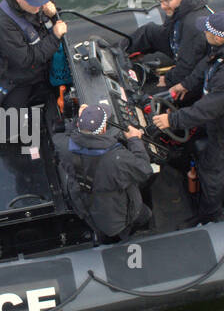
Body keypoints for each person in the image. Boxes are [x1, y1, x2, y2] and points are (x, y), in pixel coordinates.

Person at [151, 10, 224, 224]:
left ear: (218, 37)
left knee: (210, 170)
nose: (203, 33)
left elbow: (209, 109)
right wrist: (186, 84)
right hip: (218, 113)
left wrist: (172, 120)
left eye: (207, 31)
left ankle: (210, 215)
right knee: (189, 140)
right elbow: (207, 64)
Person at [55, 103, 154, 242]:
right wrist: (134, 140)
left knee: (98, 226)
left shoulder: (63, 145)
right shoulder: (116, 160)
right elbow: (144, 170)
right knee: (145, 215)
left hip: (84, 204)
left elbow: (69, 133)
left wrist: (80, 118)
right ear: (103, 129)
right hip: (114, 216)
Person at [0, 0, 67, 111]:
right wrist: (55, 37)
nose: (39, 6)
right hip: (17, 79)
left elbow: (49, 19)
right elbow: (26, 59)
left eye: (42, 0)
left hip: (44, 68)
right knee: (11, 124)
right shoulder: (2, 24)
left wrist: (55, 14)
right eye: (34, 3)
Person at [124, 0, 209, 92]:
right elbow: (167, 30)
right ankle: (118, 53)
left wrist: (167, 79)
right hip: (177, 41)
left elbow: (187, 65)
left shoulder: (193, 25)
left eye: (167, 1)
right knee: (148, 31)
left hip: (194, 68)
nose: (163, 6)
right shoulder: (178, 9)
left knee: (153, 91)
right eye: (160, 1)